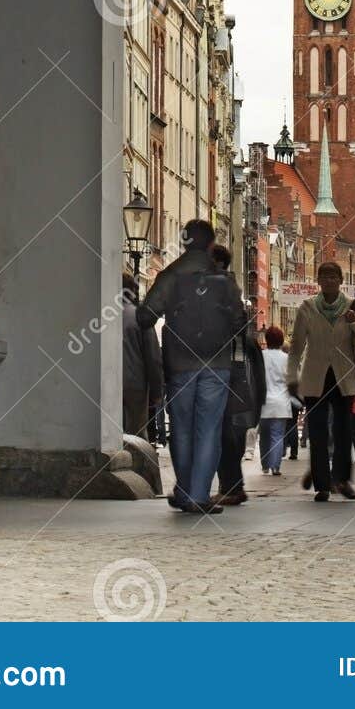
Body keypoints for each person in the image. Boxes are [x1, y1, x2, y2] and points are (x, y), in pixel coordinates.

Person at [138, 218, 245, 516]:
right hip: (217, 363)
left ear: (184, 241)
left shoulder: (170, 275)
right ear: (211, 245)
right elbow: (240, 322)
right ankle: (199, 494)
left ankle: (184, 490)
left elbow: (145, 317)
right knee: (209, 429)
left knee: (182, 428)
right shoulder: (224, 280)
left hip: (180, 363)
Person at [287, 262, 355, 502]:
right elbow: (296, 348)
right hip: (315, 377)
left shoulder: (353, 307)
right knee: (318, 431)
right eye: (324, 276)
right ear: (318, 280)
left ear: (341, 279)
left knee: (344, 431)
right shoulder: (307, 308)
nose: (329, 280)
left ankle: (342, 480)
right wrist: (292, 376)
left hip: (344, 377)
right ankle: (322, 484)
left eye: (333, 276)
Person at [210, 244, 265, 507]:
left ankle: (231, 487)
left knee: (224, 433)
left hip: (225, 370)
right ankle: (232, 485)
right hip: (233, 369)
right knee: (229, 432)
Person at [121, 271, 163, 439]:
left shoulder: (100, 317)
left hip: (105, 383)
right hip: (134, 385)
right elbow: (153, 358)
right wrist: (157, 392)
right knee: (136, 434)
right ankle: (137, 463)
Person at [260, 325, 293, 476]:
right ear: (281, 341)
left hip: (263, 402)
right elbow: (292, 380)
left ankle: (265, 464)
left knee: (264, 435)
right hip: (281, 402)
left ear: (267, 340)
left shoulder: (261, 356)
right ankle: (276, 466)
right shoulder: (286, 359)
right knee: (278, 435)